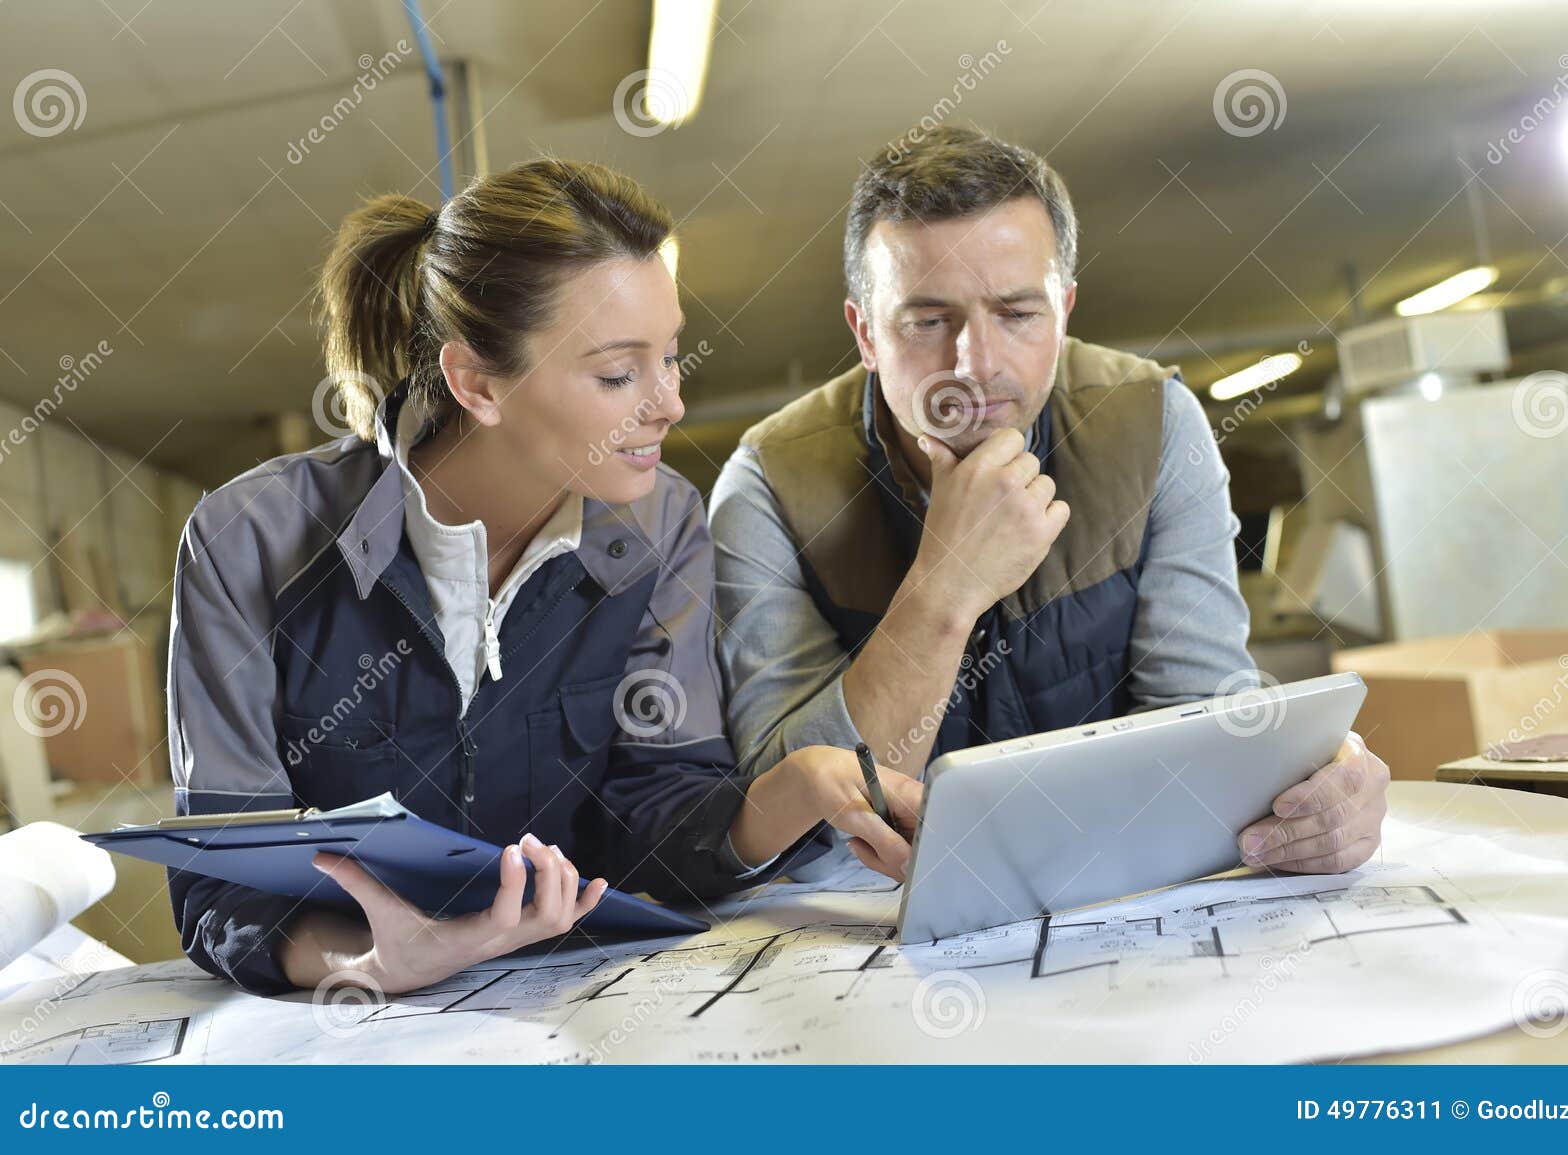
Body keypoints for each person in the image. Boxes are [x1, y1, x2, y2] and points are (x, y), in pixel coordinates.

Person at [165, 159, 920, 998]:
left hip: (581, 1012)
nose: (668, 402)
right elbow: (220, 882)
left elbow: (655, 813)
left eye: (669, 358)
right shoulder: (249, 540)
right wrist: (372, 958)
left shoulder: (661, 522)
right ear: (476, 383)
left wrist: (794, 787)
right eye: (617, 374)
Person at [709, 125, 1388, 881]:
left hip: (1117, 904)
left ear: (1064, 311)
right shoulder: (768, 483)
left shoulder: (1153, 425)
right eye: (928, 321)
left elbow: (1201, 735)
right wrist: (945, 588)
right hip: (869, 931)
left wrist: (1323, 783)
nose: (976, 365)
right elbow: (791, 833)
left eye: (1017, 314)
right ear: (865, 332)